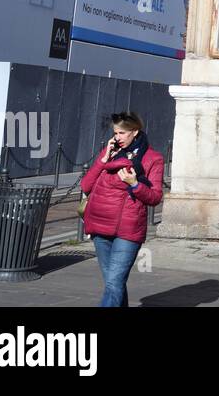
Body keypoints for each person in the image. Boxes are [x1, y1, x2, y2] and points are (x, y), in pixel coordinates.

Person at [79, 111, 164, 307]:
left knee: (114, 282)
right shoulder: (109, 154)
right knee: (113, 284)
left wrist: (135, 184)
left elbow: (155, 197)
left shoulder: (153, 158)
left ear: (135, 131)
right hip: (100, 225)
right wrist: (104, 159)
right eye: (115, 133)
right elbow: (86, 186)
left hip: (128, 230)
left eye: (122, 133)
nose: (117, 138)